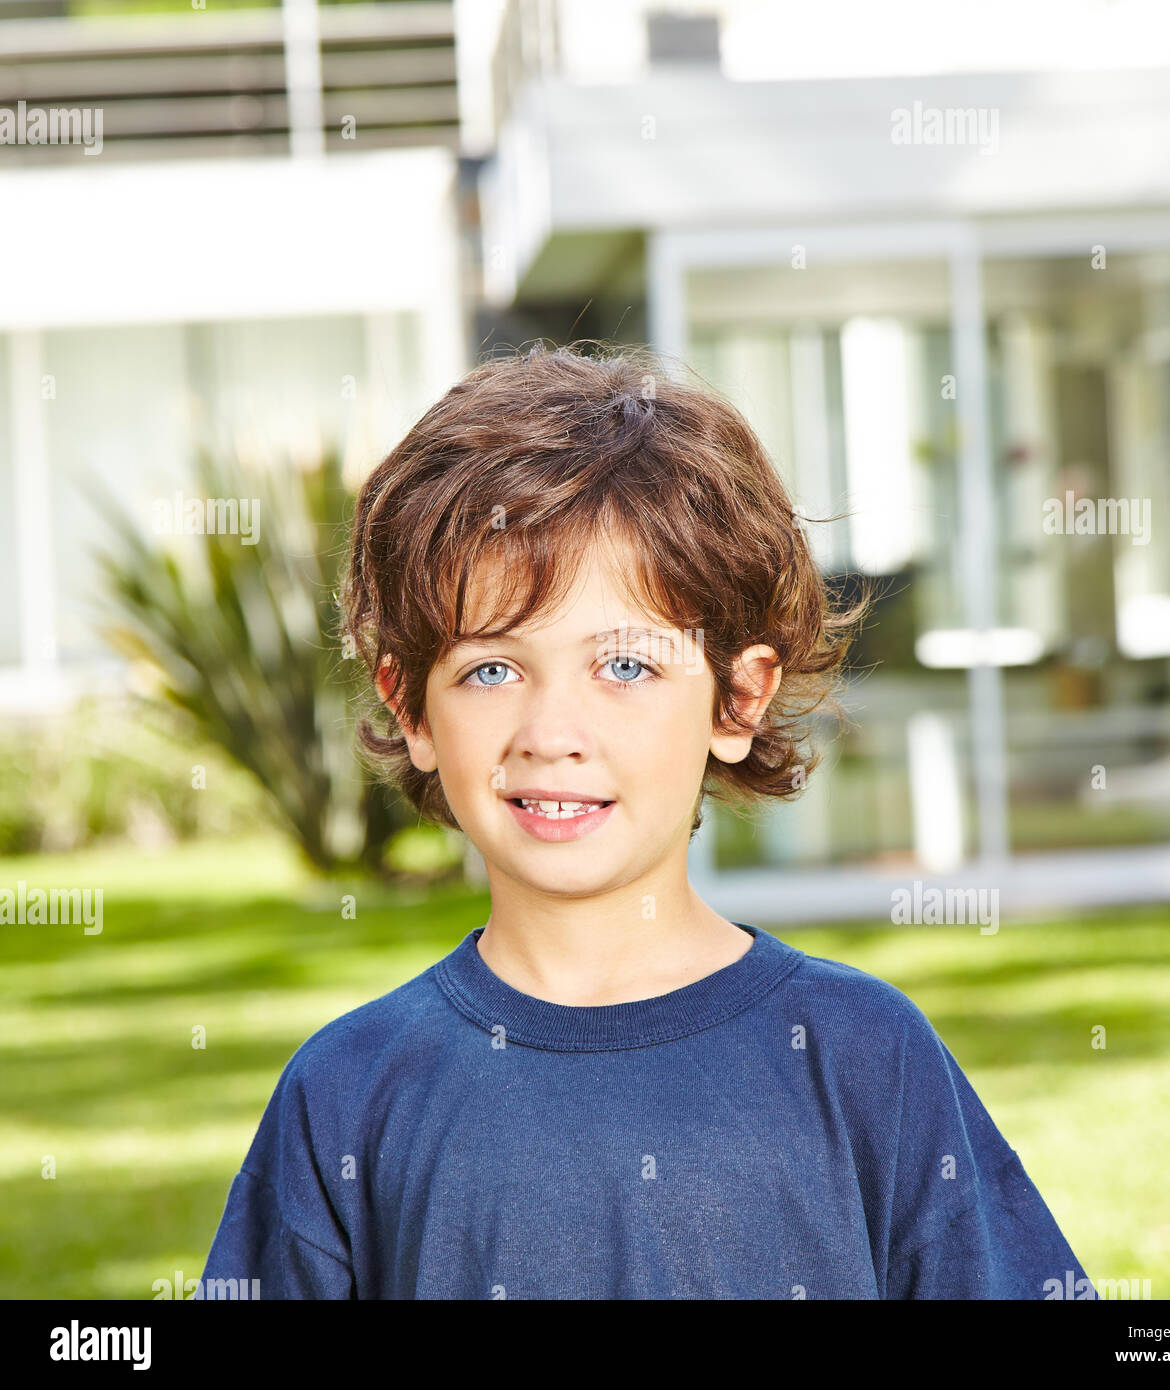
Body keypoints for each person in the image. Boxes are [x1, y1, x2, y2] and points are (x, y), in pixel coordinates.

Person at [197, 341, 1090, 1300]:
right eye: (491, 669)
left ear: (737, 700)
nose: (552, 735)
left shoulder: (867, 1059)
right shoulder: (346, 1093)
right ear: (411, 706)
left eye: (625, 666)